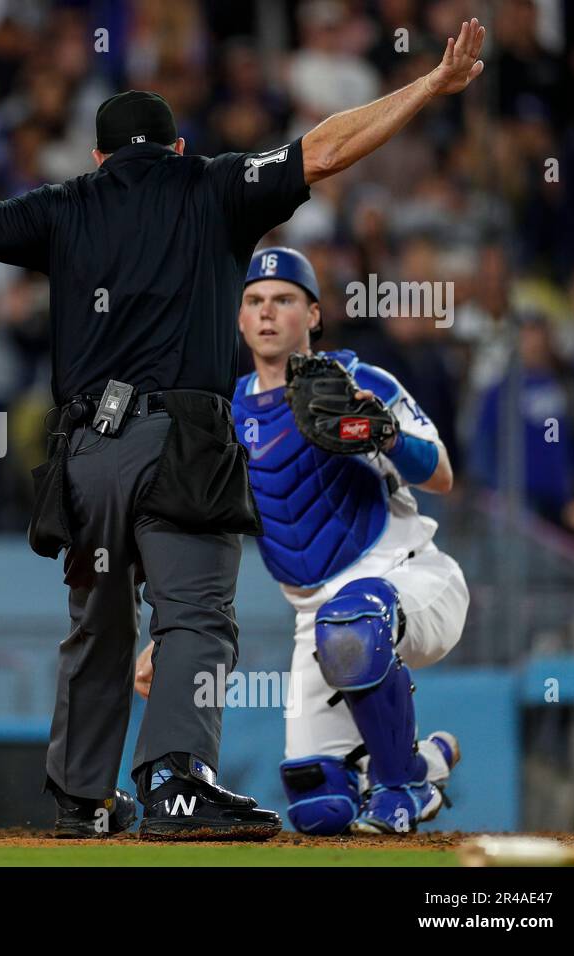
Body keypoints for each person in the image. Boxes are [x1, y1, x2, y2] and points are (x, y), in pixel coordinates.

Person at [0, 20, 487, 839]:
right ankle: (178, 785)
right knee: (193, 618)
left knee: (98, 629)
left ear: (97, 160)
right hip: (177, 442)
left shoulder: (63, 206)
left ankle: (82, 798)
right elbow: (325, 149)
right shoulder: (215, 185)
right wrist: (429, 86)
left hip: (81, 456)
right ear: (179, 146)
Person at [137, 246, 468, 834]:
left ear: (313, 314)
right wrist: (167, 632)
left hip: (410, 578)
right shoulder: (224, 413)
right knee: (320, 806)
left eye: (285, 299)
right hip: (316, 622)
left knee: (351, 625)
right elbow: (202, 535)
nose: (268, 313)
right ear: (238, 318)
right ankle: (424, 759)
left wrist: (383, 434)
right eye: (254, 301)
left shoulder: (359, 380)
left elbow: (441, 472)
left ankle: (404, 785)